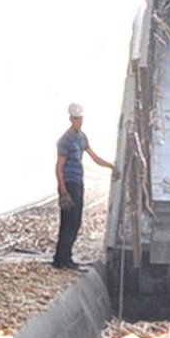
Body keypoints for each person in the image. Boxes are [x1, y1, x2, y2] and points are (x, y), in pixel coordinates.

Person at [53, 102, 117, 270]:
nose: (78, 122)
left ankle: (66, 257)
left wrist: (110, 166)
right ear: (71, 119)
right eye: (75, 119)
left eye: (79, 119)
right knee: (68, 221)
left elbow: (93, 156)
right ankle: (61, 259)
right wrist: (63, 191)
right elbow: (59, 167)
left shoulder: (82, 137)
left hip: (78, 182)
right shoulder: (65, 140)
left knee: (76, 222)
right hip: (69, 183)